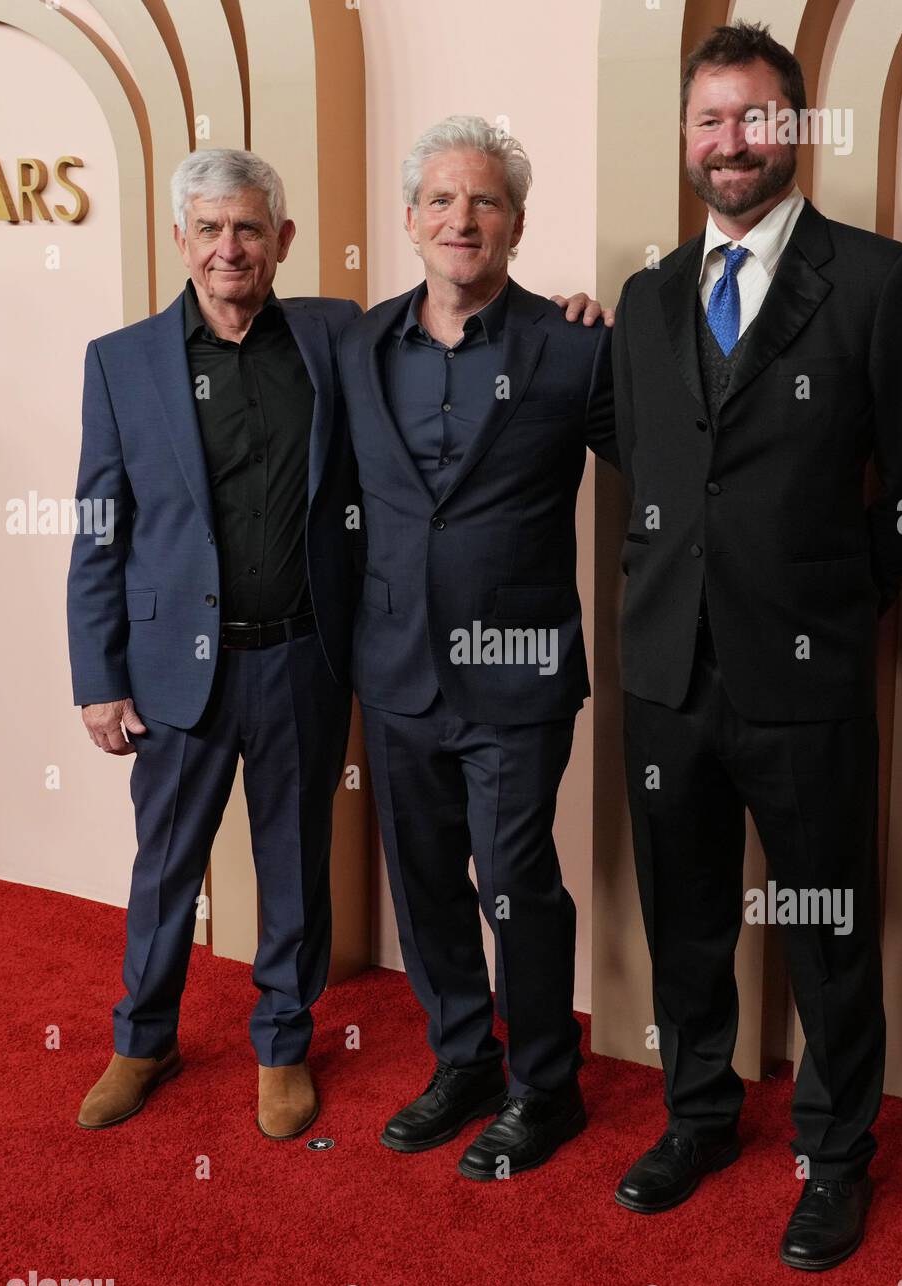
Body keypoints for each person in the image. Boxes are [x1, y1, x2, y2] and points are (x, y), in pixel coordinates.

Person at [610, 23, 902, 1268]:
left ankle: (833, 1156)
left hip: (803, 679)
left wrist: (835, 599)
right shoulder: (646, 300)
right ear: (687, 137)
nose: (730, 143)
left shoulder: (875, 281)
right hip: (664, 675)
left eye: (753, 118)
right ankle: (698, 1117)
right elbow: (643, 454)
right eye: (709, 120)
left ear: (795, 129)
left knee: (823, 928)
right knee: (686, 916)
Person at [337, 115, 616, 1180]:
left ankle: (546, 1086)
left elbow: (672, 472)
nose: (463, 218)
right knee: (423, 880)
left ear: (515, 223)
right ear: (411, 221)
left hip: (519, 674)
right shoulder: (357, 347)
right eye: (442, 201)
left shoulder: (574, 347)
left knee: (514, 878)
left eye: (484, 201)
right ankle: (463, 1059)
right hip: (396, 665)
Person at [68, 149, 361, 1140]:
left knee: (293, 862)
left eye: (248, 228)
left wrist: (563, 313)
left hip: (300, 659)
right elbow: (98, 526)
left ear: (281, 241)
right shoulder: (121, 360)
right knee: (165, 868)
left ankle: (281, 1041)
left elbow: (448, 319)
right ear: (180, 238)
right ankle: (141, 1038)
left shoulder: (335, 337)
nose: (228, 247)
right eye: (209, 228)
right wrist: (98, 676)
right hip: (168, 671)